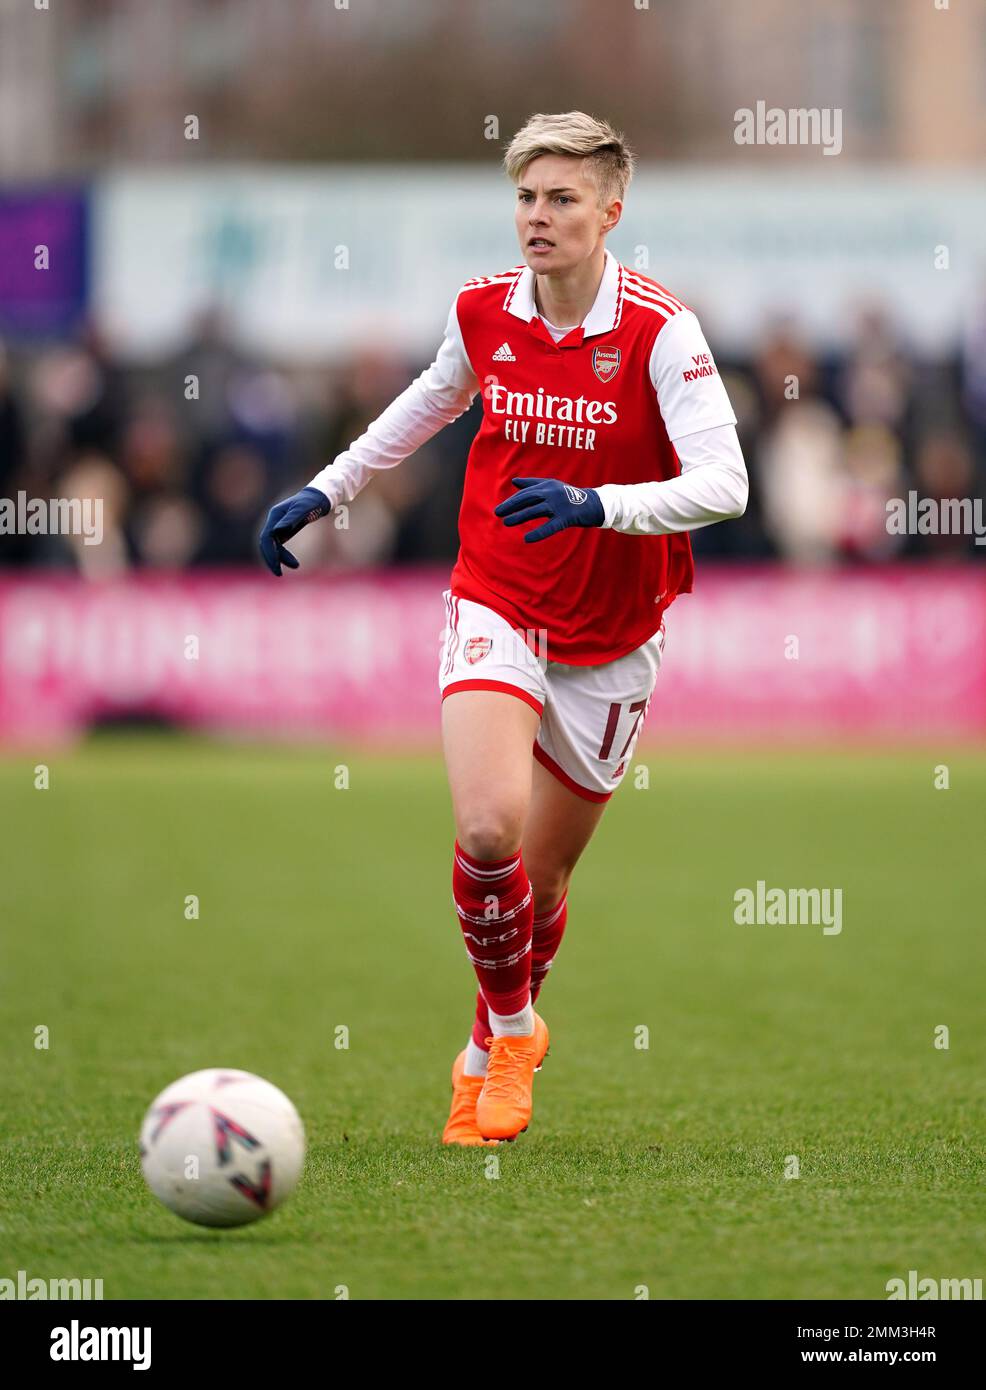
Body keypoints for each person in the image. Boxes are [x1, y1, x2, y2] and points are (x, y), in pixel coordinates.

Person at [260, 112, 748, 1145]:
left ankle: (484, 1044)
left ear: (609, 213)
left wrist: (598, 504)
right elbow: (433, 398)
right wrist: (328, 485)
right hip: (496, 594)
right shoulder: (483, 309)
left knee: (547, 880)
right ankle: (520, 1027)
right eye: (526, 197)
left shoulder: (662, 330)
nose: (538, 216)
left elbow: (727, 484)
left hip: (612, 634)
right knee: (488, 831)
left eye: (561, 198)